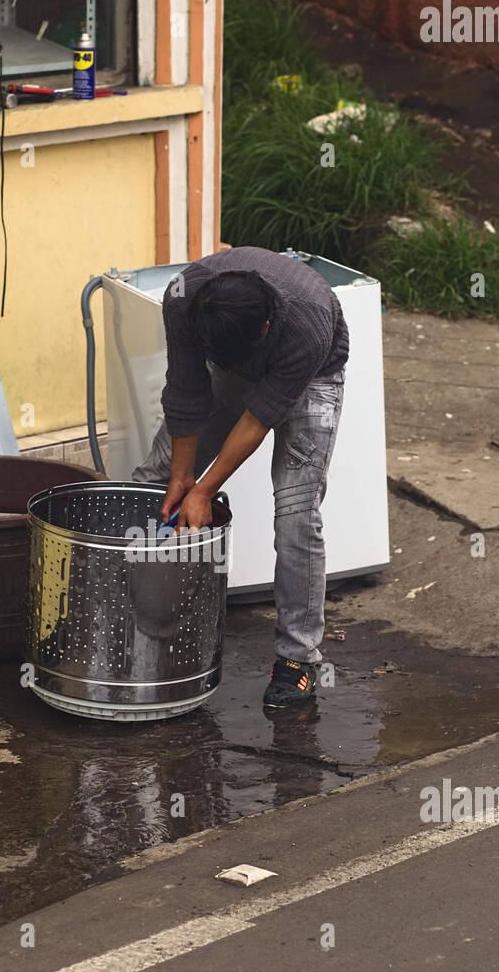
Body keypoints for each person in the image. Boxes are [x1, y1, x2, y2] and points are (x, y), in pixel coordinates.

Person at [132, 246, 349, 708]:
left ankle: (298, 659)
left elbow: (258, 418)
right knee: (153, 479)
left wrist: (205, 490)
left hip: (312, 377)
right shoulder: (184, 296)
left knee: (296, 514)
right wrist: (181, 479)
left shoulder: (305, 325)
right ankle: (135, 619)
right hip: (229, 365)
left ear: (265, 328)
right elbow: (187, 388)